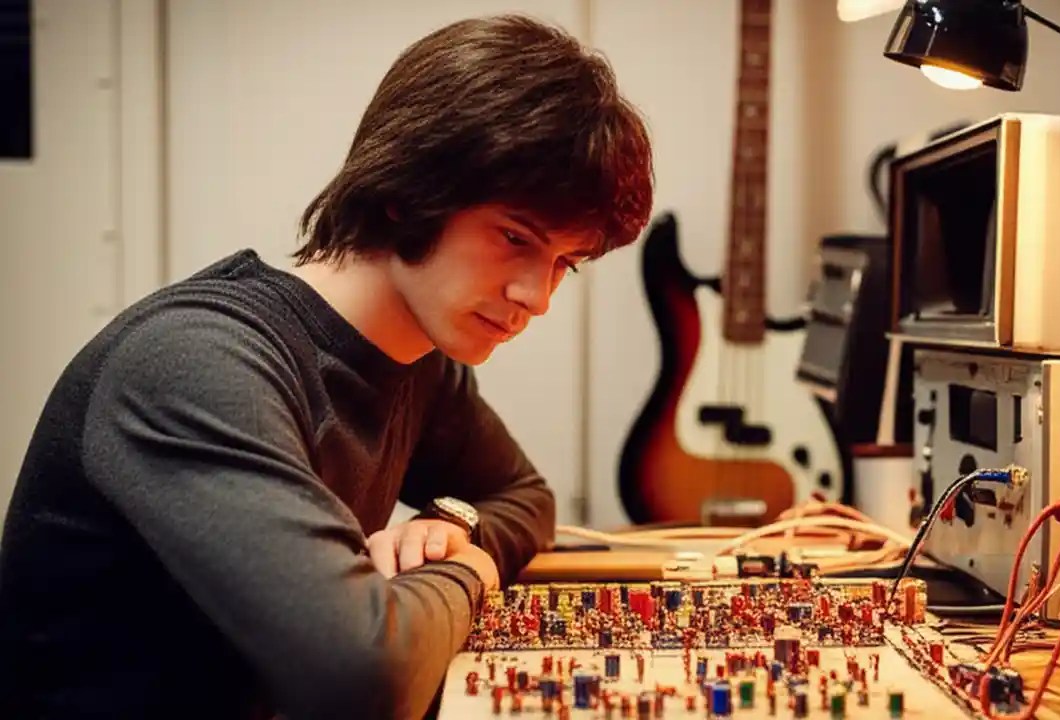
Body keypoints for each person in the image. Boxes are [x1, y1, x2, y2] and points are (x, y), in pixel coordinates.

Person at [0, 14, 653, 720]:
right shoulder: (195, 363)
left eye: (564, 263)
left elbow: (525, 496)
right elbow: (363, 678)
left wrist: (456, 524)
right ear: (408, 189)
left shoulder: (421, 361)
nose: (537, 296)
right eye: (514, 237)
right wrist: (468, 569)